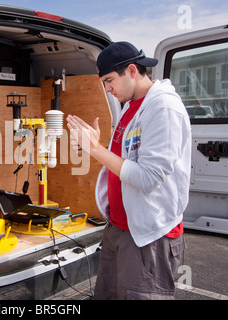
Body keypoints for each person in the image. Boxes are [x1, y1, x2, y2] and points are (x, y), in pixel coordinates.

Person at [66, 41, 191, 300]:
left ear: (132, 71)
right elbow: (126, 163)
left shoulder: (162, 107)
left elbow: (148, 177)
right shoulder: (131, 106)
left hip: (148, 236)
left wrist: (97, 150)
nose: (107, 89)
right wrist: (95, 147)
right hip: (120, 228)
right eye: (103, 82)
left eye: (109, 80)